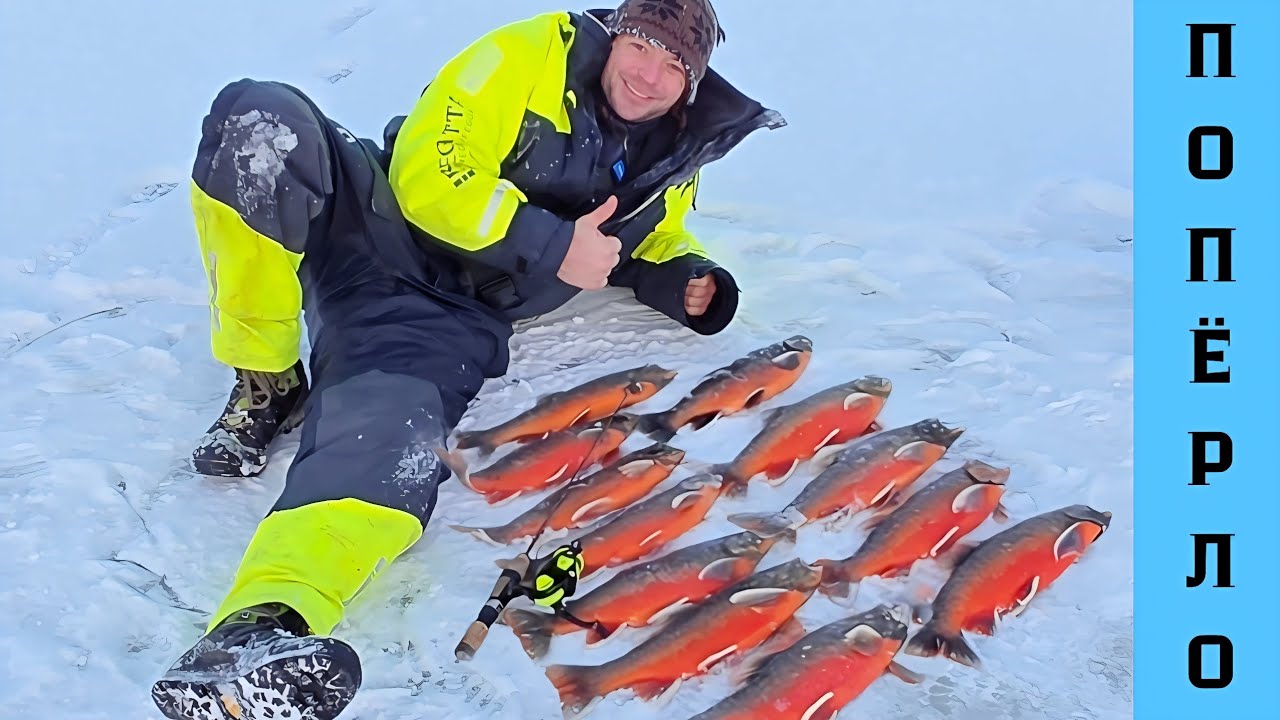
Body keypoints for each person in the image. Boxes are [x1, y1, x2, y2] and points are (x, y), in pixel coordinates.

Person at [150, 1, 784, 718]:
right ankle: (266, 379)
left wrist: (687, 283)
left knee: (387, 447)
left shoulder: (668, 148)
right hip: (374, 209)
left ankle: (256, 631)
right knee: (257, 122)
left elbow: (647, 235)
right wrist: (551, 246)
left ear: (693, 83)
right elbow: (428, 173)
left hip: (438, 316)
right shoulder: (529, 56)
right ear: (616, 34)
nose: (649, 76)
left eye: (676, 67)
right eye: (642, 47)